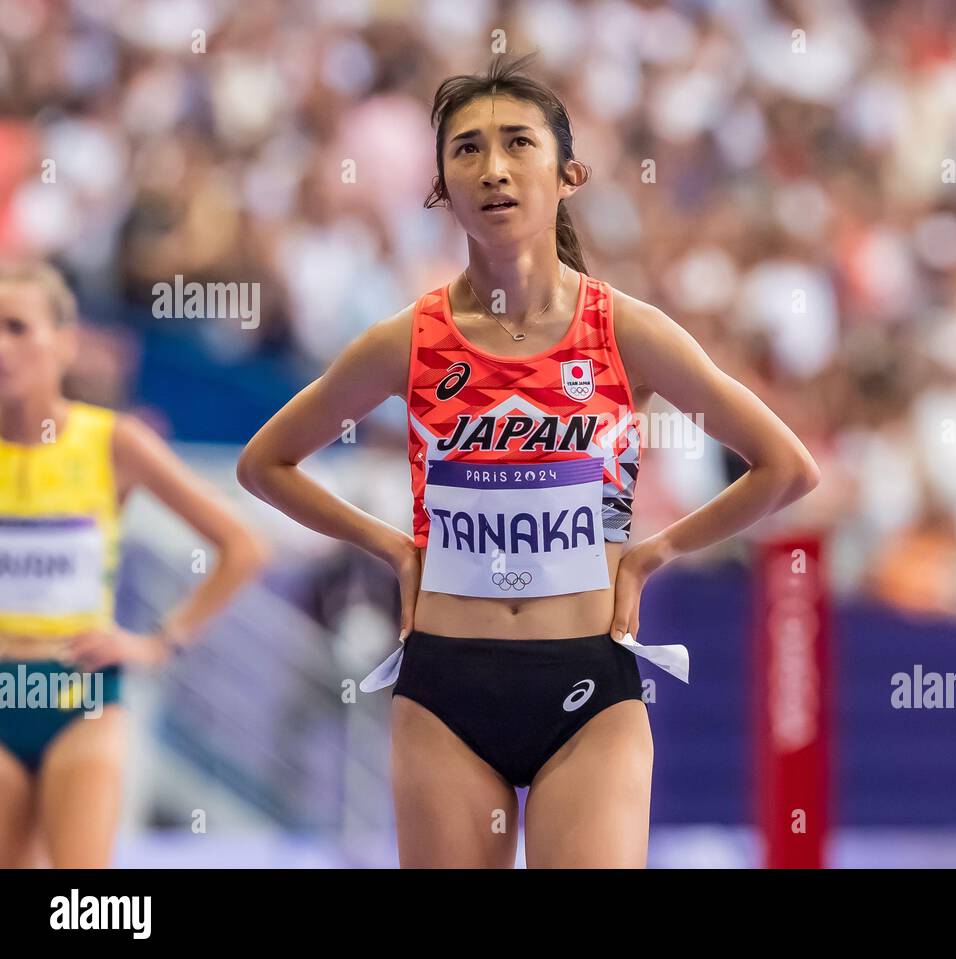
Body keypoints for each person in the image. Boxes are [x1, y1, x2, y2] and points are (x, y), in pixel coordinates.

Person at [236, 54, 819, 868]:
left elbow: (785, 466)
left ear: (568, 172)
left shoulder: (626, 331)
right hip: (446, 688)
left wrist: (655, 552)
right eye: (467, 149)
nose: (494, 167)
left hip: (590, 688)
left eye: (518, 143)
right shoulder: (409, 338)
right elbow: (266, 463)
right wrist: (394, 548)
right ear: (441, 186)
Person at [0, 260, 269, 868]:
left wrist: (159, 643)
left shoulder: (111, 443)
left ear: (65, 343)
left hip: (80, 699)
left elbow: (243, 546)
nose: (2, 347)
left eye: (18, 328)